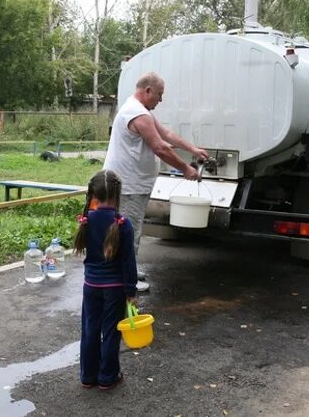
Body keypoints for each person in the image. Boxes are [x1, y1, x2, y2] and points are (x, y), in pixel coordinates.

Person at [103, 72, 209, 291]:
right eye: (159, 95)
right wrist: (186, 169)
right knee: (128, 231)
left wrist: (193, 149)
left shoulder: (140, 110)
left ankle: (128, 268)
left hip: (133, 184)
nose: (160, 100)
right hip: (128, 185)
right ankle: (126, 280)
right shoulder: (137, 113)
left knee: (132, 230)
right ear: (148, 91)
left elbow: (166, 134)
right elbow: (159, 147)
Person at [73, 170, 138, 391]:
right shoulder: (123, 223)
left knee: (90, 329)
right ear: (118, 194)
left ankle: (88, 376)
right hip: (115, 288)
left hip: (91, 285)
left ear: (93, 194)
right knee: (110, 332)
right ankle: (108, 377)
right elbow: (128, 262)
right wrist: (131, 291)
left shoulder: (86, 220)